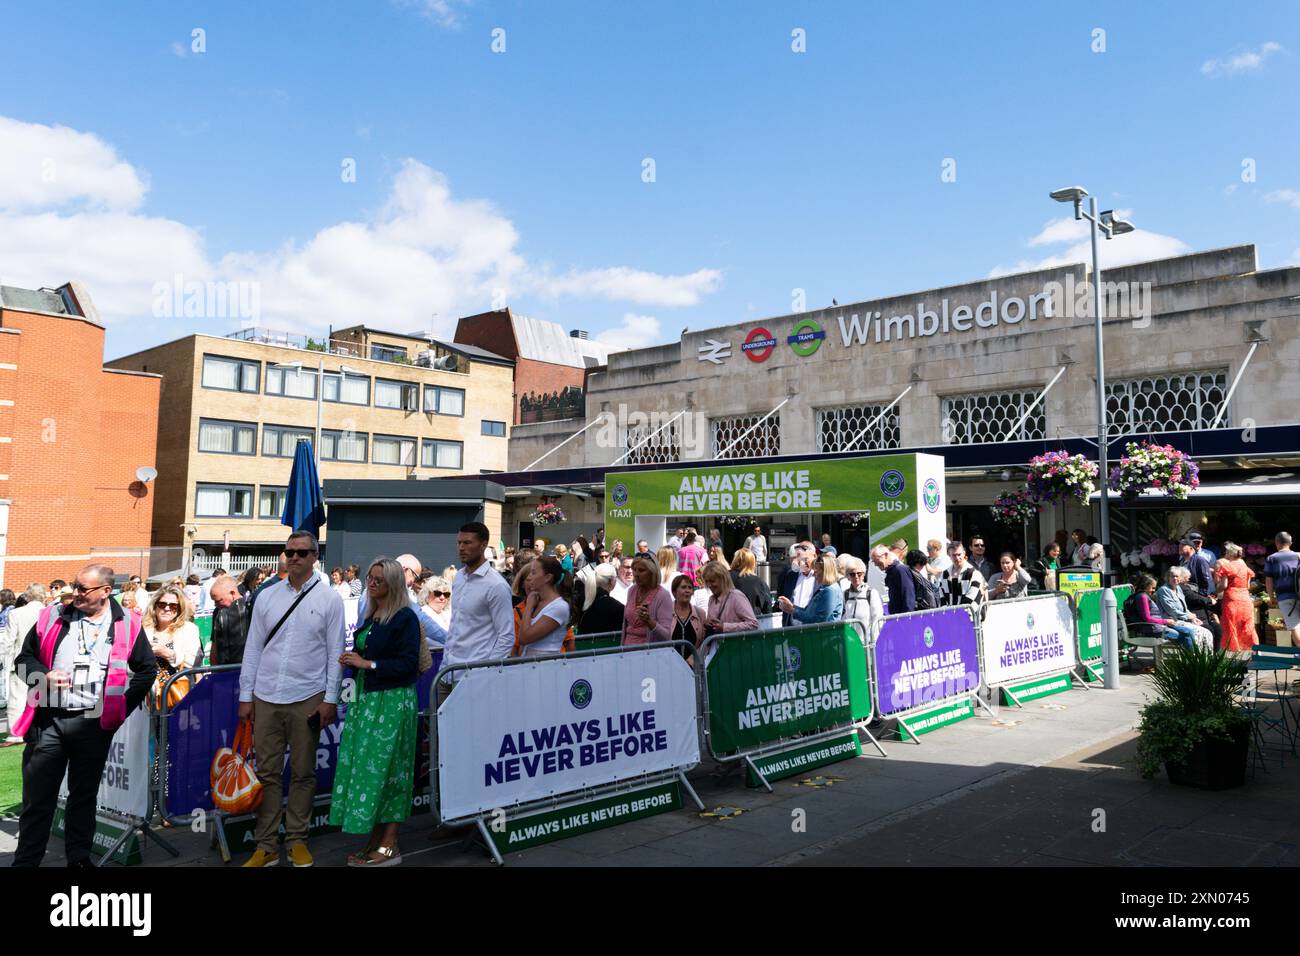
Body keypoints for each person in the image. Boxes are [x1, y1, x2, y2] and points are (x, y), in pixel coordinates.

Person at [11, 565, 157, 867]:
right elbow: (22, 660)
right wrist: (44, 675)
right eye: (75, 586)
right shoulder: (52, 616)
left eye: (83, 589)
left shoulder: (128, 624)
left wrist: (118, 709)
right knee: (38, 800)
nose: (75, 593)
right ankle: (26, 863)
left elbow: (146, 670)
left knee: (83, 796)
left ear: (106, 591)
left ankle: (78, 860)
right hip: (49, 719)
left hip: (93, 720)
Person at [238, 531, 345, 868]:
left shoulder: (330, 599)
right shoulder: (266, 597)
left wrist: (329, 699)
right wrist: (246, 695)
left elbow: (335, 653)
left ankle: (298, 839)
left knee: (302, 772)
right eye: (290, 552)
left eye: (302, 553)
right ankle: (266, 845)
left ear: (316, 556)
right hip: (266, 695)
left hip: (307, 696)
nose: (295, 558)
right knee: (266, 774)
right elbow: (252, 648)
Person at [331, 558, 421, 867]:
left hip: (392, 703)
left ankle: (389, 843)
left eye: (378, 580)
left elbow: (409, 663)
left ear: (393, 584)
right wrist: (354, 663)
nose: (371, 583)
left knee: (391, 771)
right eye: (370, 578)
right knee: (368, 772)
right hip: (367, 703)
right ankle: (376, 838)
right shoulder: (371, 615)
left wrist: (367, 664)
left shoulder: (405, 617)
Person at [438, 522, 514, 707]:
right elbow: (458, 625)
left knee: (468, 732)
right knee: (441, 732)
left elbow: (506, 636)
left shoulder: (496, 585)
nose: (461, 548)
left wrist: (486, 672)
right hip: (446, 672)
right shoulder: (459, 577)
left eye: (467, 543)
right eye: (459, 543)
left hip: (473, 676)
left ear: (483, 545)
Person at [4, 585, 47, 745]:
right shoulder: (49, 613)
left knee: (17, 697)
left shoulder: (16, 613)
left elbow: (8, 640)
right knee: (40, 699)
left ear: (27, 596)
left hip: (22, 660)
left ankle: (16, 733)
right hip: (43, 662)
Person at [144, 585, 202, 703]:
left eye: (173, 606)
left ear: (179, 609)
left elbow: (192, 661)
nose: (167, 609)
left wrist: (168, 654)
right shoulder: (144, 629)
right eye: (162, 604)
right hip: (149, 694)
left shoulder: (189, 629)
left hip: (178, 692)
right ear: (154, 606)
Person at [515, 556, 575, 657]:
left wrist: (529, 605)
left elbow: (524, 638)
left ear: (548, 577)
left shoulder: (559, 606)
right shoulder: (537, 601)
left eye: (533, 573)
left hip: (545, 667)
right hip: (529, 665)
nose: (529, 577)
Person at [1155, 568, 1214, 650]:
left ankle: (1206, 658)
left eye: (1177, 576)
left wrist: (1193, 618)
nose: (1175, 578)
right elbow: (1171, 611)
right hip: (1171, 621)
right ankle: (1193, 658)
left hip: (1181, 620)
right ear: (1168, 577)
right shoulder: (1163, 590)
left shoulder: (1178, 588)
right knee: (1196, 633)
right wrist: (1188, 616)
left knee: (1208, 632)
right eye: (1172, 576)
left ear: (1180, 578)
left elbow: (1184, 607)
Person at [1214, 542, 1258, 653]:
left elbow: (1223, 585)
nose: (1226, 554)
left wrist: (1214, 592)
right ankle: (1256, 648)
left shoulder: (1227, 566)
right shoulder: (1244, 564)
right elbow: (1248, 586)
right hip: (1245, 598)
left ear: (1230, 553)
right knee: (1248, 624)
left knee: (1230, 624)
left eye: (1227, 552)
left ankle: (1232, 649)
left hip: (1231, 599)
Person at [622, 555, 673, 646]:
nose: (636, 574)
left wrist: (649, 621)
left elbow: (666, 636)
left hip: (649, 654)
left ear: (652, 572)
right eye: (634, 569)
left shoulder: (663, 595)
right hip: (626, 652)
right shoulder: (632, 590)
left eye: (641, 570)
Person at [779, 554, 844, 624]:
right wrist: (792, 606)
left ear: (825, 571)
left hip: (825, 633)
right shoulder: (825, 588)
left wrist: (792, 610)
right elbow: (809, 613)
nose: (814, 574)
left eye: (816, 571)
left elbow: (819, 620)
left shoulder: (830, 591)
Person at [1123, 573, 1182, 649]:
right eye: (1152, 588)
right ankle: (1189, 658)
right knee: (1181, 634)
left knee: (1185, 632)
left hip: (1154, 627)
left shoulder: (1139, 595)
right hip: (1151, 630)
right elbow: (1147, 618)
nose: (1154, 590)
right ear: (1146, 585)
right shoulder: (1142, 597)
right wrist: (1166, 621)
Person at [1265, 532, 1300, 645]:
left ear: (1276, 543)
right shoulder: (1299, 556)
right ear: (1290, 543)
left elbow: (1269, 580)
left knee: (1294, 626)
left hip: (1285, 597)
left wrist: (1271, 597)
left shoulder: (1272, 558)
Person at [208, 574, 250, 666]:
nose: (215, 604)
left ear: (232, 593)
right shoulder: (218, 611)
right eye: (214, 601)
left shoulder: (251, 608)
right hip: (224, 670)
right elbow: (215, 645)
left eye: (219, 600)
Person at [842, 556, 884, 643]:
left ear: (864, 574)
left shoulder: (871, 593)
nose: (856, 577)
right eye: (852, 574)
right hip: (851, 642)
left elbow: (878, 618)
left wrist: (872, 640)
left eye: (859, 574)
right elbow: (845, 616)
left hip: (867, 642)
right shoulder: (845, 594)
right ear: (848, 576)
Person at [578, 564, 625, 635]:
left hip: (582, 643)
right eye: (616, 578)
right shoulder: (615, 606)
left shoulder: (581, 598)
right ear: (611, 581)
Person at [941, 545, 988, 617]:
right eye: (954, 555)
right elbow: (942, 597)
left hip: (970, 618)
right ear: (949, 555)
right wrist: (946, 614)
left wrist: (959, 614)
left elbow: (971, 598)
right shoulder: (944, 574)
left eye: (959, 554)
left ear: (964, 553)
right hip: (950, 618)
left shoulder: (974, 573)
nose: (957, 558)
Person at [779, 543, 816, 626]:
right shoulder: (790, 576)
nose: (803, 563)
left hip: (814, 630)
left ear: (814, 556)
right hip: (792, 631)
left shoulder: (821, 577)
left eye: (806, 559)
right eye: (800, 559)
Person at [667, 574, 705, 655]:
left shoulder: (700, 613)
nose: (687, 590)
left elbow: (704, 642)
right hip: (670, 663)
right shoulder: (666, 612)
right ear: (674, 592)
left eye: (690, 587)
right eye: (683, 587)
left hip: (692, 665)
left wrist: (692, 660)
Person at [872, 544, 916, 614]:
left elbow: (908, 595)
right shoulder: (891, 571)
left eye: (876, 560)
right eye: (873, 561)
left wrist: (906, 619)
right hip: (897, 617)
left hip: (903, 618)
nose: (875, 564)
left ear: (886, 555)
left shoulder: (900, 570)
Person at [729, 548, 773, 617]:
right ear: (753, 563)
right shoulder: (759, 582)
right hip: (750, 623)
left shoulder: (724, 577)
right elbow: (767, 609)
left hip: (725, 623)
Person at [418, 576, 453, 645]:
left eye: (446, 594)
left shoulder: (448, 613)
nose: (442, 597)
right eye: (438, 593)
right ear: (427, 595)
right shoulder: (422, 613)